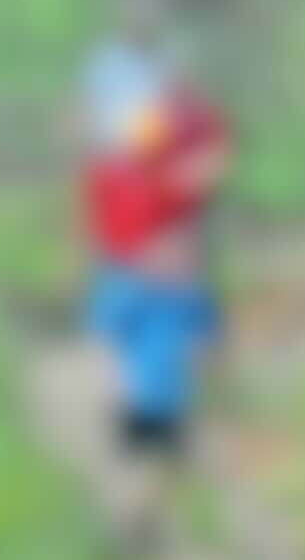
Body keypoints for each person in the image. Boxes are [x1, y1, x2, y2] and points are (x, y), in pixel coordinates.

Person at [75, 42, 236, 470]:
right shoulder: (143, 178)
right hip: (145, 279)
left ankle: (147, 437)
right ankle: (146, 438)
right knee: (148, 358)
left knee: (144, 357)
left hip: (140, 278)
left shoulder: (122, 172)